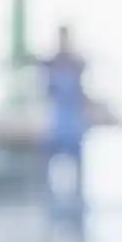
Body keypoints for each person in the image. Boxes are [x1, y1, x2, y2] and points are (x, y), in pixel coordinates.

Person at [42, 24, 90, 223]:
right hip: (58, 124)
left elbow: (82, 94)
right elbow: (47, 93)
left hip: (73, 125)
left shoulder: (77, 63)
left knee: (78, 172)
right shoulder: (51, 64)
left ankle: (77, 211)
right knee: (51, 169)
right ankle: (53, 210)